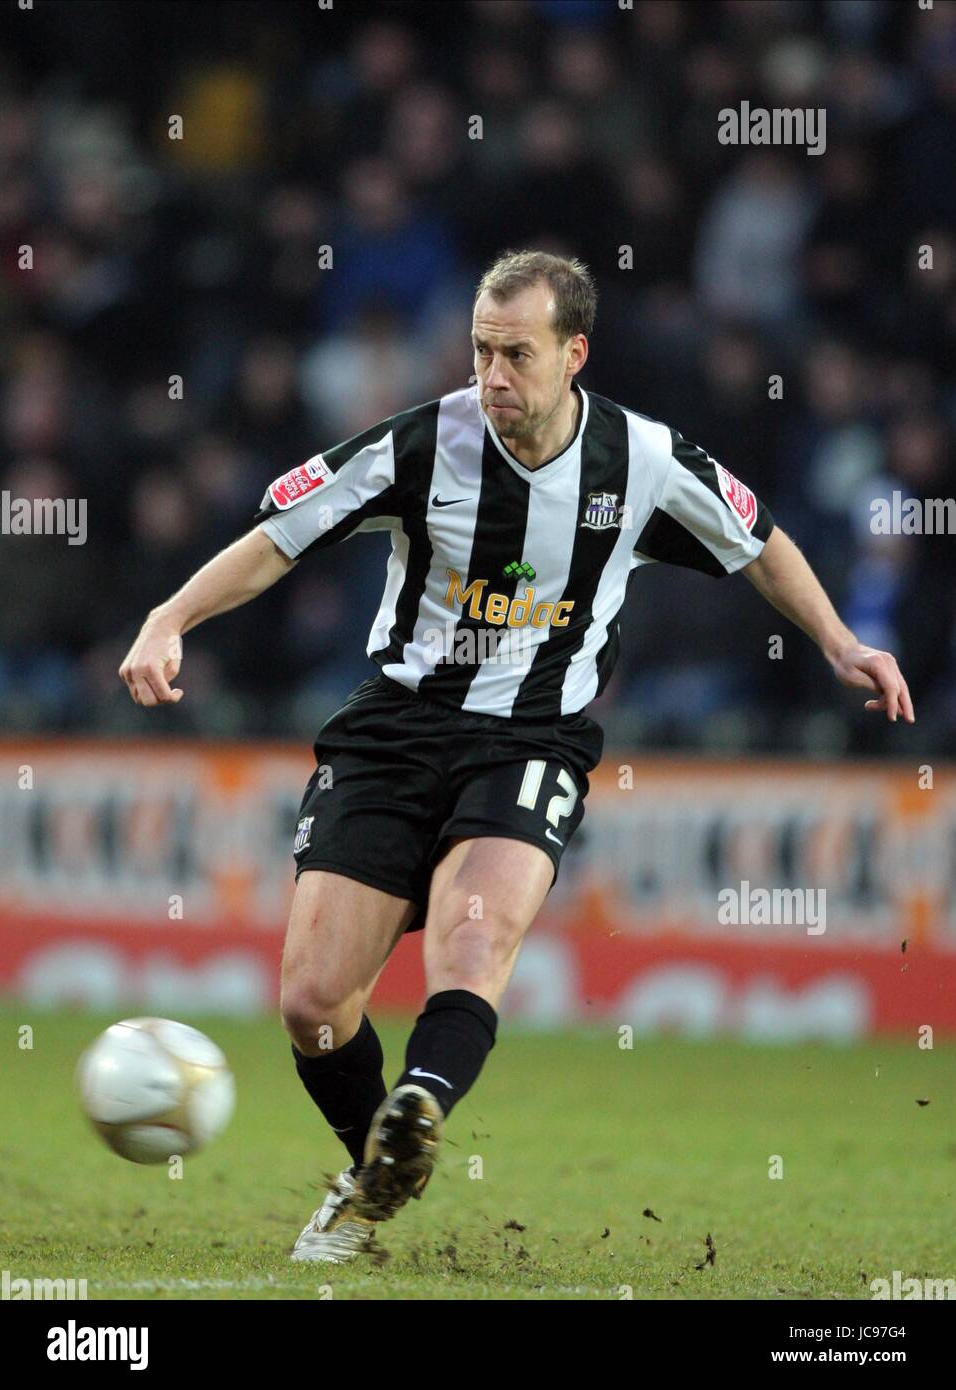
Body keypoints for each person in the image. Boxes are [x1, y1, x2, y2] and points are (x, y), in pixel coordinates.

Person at [118, 250, 914, 1263]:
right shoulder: (420, 443)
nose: (492, 376)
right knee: (313, 1004)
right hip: (393, 730)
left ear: (572, 354)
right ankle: (376, 1157)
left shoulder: (642, 458)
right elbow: (279, 536)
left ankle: (411, 1117)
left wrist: (840, 641)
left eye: (516, 355)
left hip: (532, 739)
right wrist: (169, 614)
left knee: (472, 938)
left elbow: (760, 541)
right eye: (480, 352)